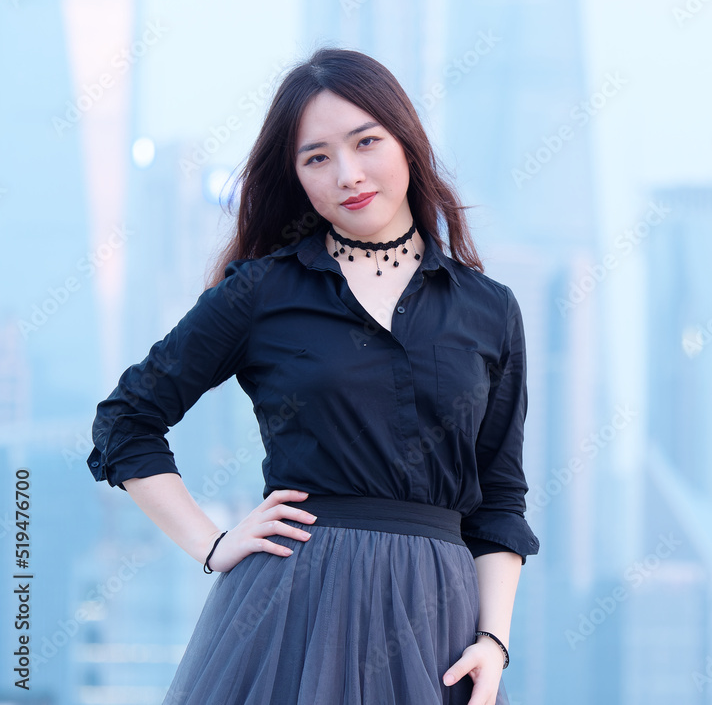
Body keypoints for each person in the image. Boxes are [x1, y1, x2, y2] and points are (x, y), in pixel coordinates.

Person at [86, 47, 540, 705]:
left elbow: (499, 500)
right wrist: (212, 543)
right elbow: (125, 420)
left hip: (436, 625)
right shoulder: (263, 291)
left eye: (366, 142)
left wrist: (493, 643)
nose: (348, 174)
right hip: (294, 610)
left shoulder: (488, 308)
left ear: (406, 141)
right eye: (317, 157)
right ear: (295, 177)